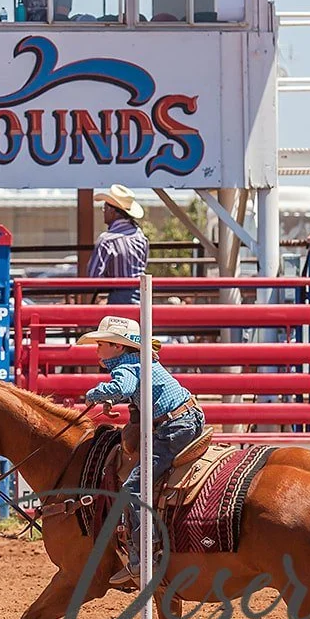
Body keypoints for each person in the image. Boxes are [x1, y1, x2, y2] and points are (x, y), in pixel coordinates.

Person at [77, 316, 203, 588]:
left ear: (119, 348)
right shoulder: (138, 363)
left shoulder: (125, 366)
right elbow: (130, 389)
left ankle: (143, 557)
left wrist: (95, 394)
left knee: (134, 487)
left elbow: (122, 386)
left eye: (102, 343)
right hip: (184, 417)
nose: (97, 349)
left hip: (173, 426)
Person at [87, 184, 149, 305]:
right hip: (143, 297)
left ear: (112, 211)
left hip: (119, 297)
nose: (104, 212)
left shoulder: (107, 240)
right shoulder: (141, 237)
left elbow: (93, 277)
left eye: (105, 208)